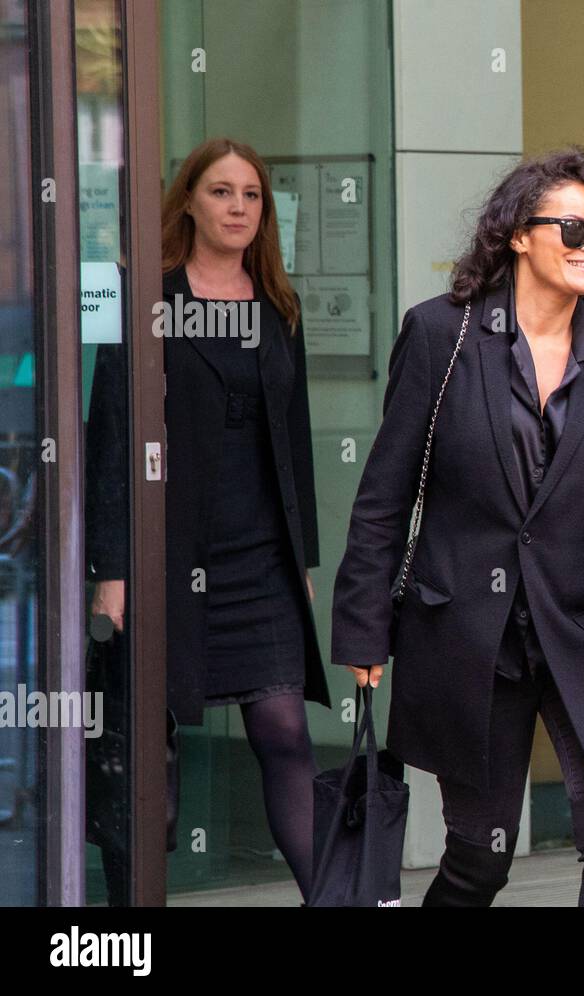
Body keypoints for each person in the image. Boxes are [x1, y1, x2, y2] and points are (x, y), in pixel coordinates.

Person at [330, 148, 584, 907]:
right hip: (469, 636)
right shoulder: (439, 337)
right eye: (574, 229)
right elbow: (385, 493)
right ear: (518, 233)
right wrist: (361, 628)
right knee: (480, 858)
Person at [87, 138, 328, 903]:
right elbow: (111, 439)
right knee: (144, 744)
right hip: (168, 551)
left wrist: (306, 563)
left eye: (251, 196)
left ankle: (332, 896)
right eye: (221, 192)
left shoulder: (277, 306)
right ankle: (131, 913)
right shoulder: (145, 297)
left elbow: (295, 441)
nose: (237, 208)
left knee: (286, 733)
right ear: (188, 200)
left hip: (261, 556)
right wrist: (112, 571)